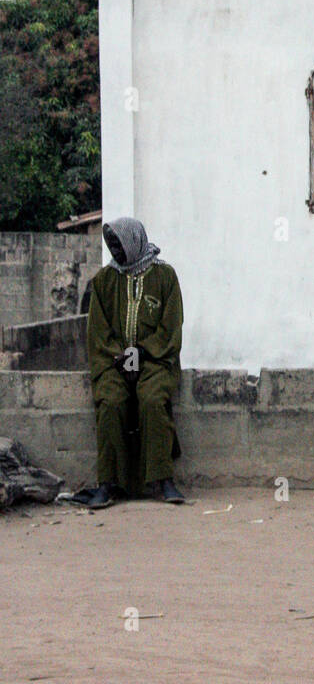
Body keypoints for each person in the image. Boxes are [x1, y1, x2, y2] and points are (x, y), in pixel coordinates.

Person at [85, 217, 185, 508]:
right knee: (111, 401)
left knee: (153, 399)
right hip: (114, 361)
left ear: (134, 241)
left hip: (155, 359)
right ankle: (107, 483)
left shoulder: (165, 276)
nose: (114, 250)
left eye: (119, 243)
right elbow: (97, 331)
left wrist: (142, 352)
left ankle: (163, 479)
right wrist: (121, 357)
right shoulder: (104, 281)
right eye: (111, 244)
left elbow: (171, 327)